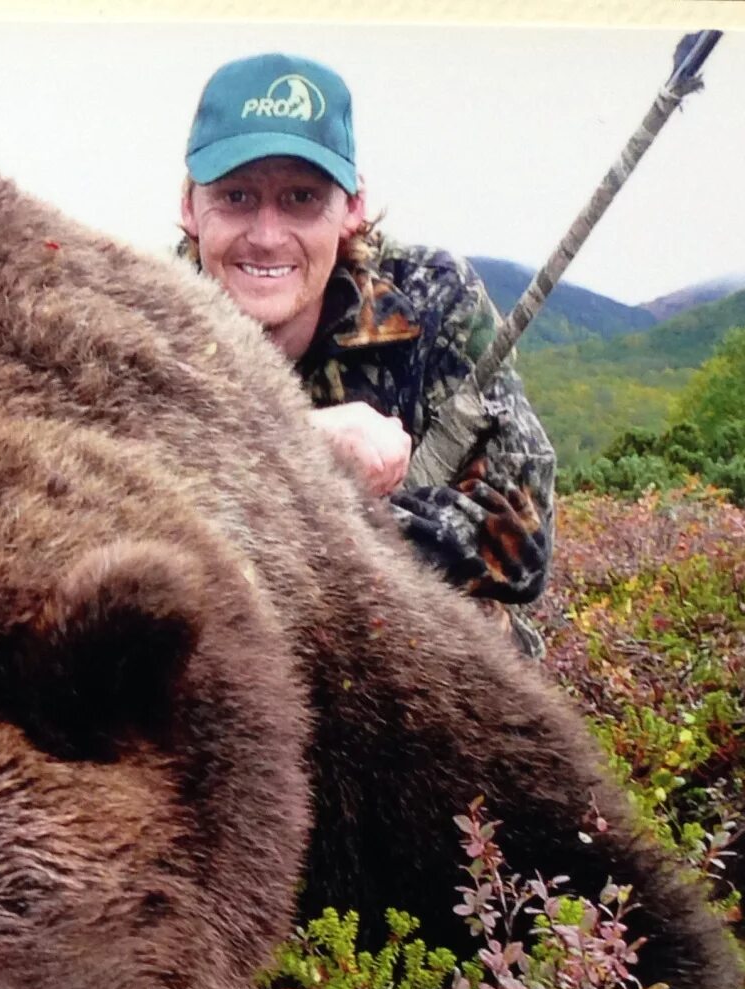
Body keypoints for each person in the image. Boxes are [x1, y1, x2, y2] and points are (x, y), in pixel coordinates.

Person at [178, 53, 557, 657]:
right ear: (189, 206)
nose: (268, 234)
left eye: (301, 197)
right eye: (237, 196)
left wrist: (316, 529)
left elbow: (519, 542)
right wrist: (302, 443)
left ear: (352, 207)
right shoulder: (139, 317)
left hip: (402, 662)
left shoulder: (434, 300)